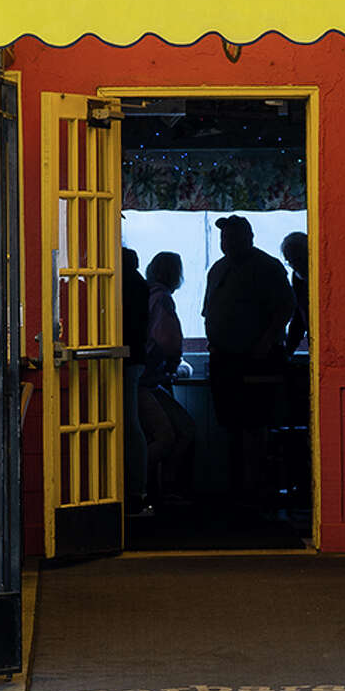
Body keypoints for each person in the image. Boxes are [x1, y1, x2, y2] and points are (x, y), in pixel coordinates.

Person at [202, 216, 292, 506]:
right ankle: (235, 489)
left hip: (256, 360)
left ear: (249, 237)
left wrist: (265, 344)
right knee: (228, 424)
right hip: (223, 358)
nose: (226, 242)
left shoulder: (267, 267)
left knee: (255, 425)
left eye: (232, 236)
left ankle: (256, 491)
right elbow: (209, 311)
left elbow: (285, 309)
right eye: (223, 237)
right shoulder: (218, 269)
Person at [139, 251, 198, 503]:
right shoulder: (162, 299)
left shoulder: (145, 295)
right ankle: (139, 482)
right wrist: (174, 359)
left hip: (143, 379)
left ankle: (154, 486)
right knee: (177, 432)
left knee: (172, 432)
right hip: (148, 381)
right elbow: (167, 339)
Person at [121, 246, 152, 518]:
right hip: (134, 360)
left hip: (124, 360)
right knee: (131, 424)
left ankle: (133, 490)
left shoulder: (127, 285)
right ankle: (135, 490)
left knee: (129, 425)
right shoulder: (141, 285)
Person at [281, 231, 309, 354]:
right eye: (290, 261)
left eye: (297, 259)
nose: (294, 266)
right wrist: (288, 351)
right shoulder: (297, 277)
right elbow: (298, 317)